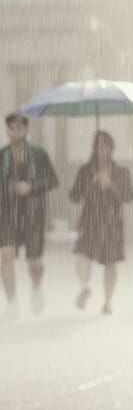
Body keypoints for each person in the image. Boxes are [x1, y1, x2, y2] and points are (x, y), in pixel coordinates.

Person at [69, 130, 133, 315]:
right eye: (98, 145)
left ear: (111, 149)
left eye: (105, 145)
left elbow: (129, 196)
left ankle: (108, 302)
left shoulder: (121, 171)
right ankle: (84, 288)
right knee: (82, 255)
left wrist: (111, 185)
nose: (101, 149)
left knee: (110, 263)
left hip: (112, 222)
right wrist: (91, 182)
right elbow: (73, 196)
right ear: (93, 149)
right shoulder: (85, 170)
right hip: (89, 220)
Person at [0, 112, 59, 318]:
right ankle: (12, 302)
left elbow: (53, 181)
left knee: (34, 260)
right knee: (5, 257)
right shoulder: (2, 156)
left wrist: (31, 187)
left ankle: (36, 288)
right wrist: (7, 188)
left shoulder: (38, 154)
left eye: (18, 127)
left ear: (26, 130)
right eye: (11, 127)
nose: (14, 131)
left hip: (33, 213)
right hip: (7, 213)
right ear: (7, 130)